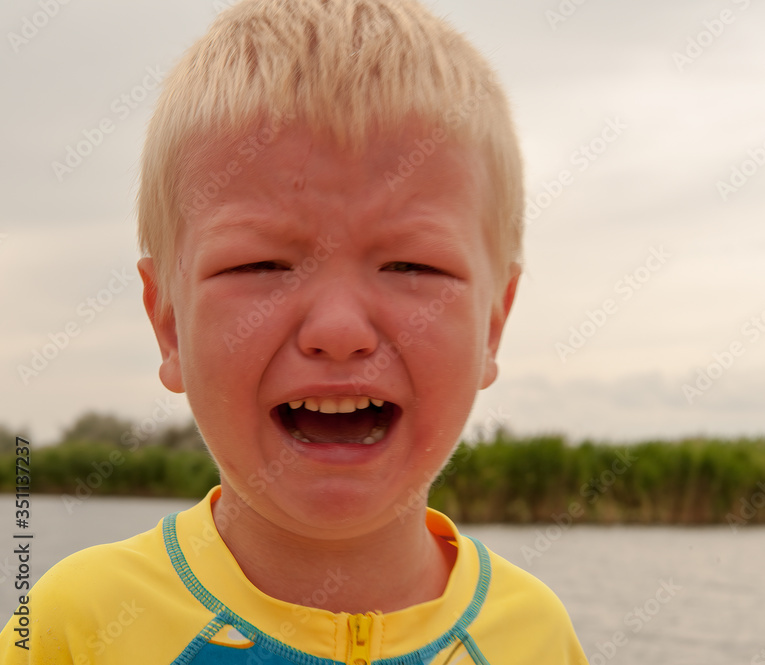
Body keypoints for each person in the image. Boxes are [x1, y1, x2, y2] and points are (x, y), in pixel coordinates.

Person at [0, 0, 587, 662]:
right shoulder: (76, 626)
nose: (338, 331)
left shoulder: (536, 636)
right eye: (260, 264)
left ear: (492, 325)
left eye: (412, 264)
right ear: (168, 323)